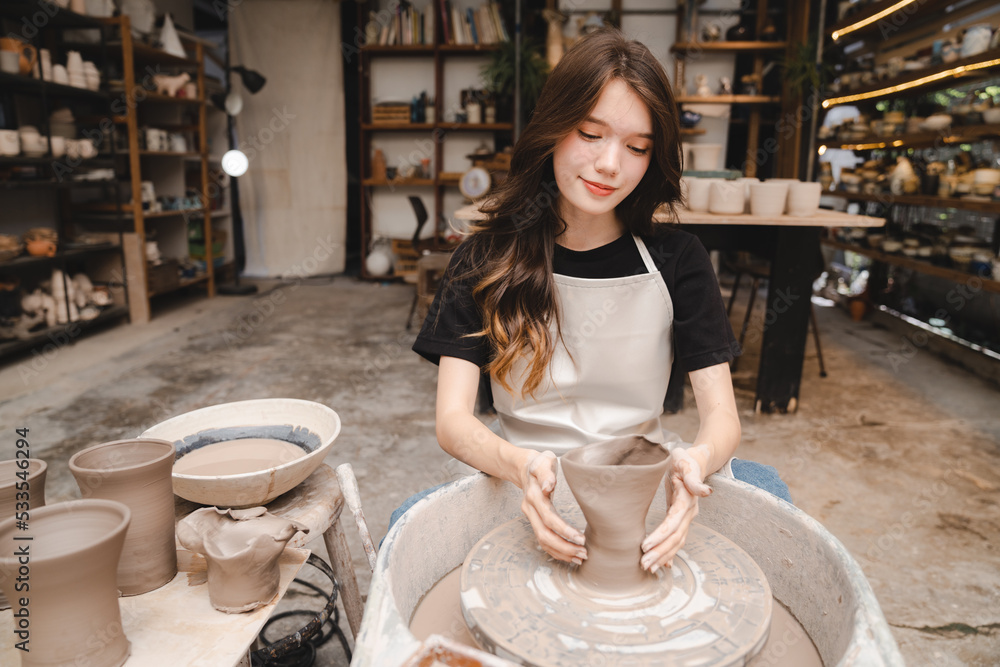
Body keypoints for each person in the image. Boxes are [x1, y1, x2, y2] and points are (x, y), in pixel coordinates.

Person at [409, 28, 789, 573]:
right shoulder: (484, 257)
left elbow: (722, 417)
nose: (611, 163)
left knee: (772, 499)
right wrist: (519, 467)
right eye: (591, 134)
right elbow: (452, 421)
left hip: (642, 479)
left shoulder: (679, 260)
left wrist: (697, 462)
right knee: (406, 532)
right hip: (523, 475)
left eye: (637, 147)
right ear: (553, 128)